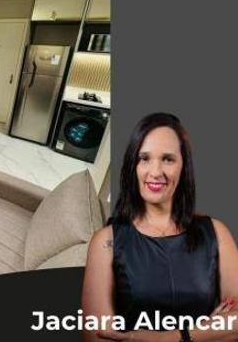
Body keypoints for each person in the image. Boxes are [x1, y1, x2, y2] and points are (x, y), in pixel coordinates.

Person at [82, 113, 238, 341]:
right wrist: (209, 330)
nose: (155, 172)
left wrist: (165, 338)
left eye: (168, 159)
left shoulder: (216, 232)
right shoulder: (106, 241)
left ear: (183, 166)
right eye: (144, 158)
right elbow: (99, 337)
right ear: (132, 166)